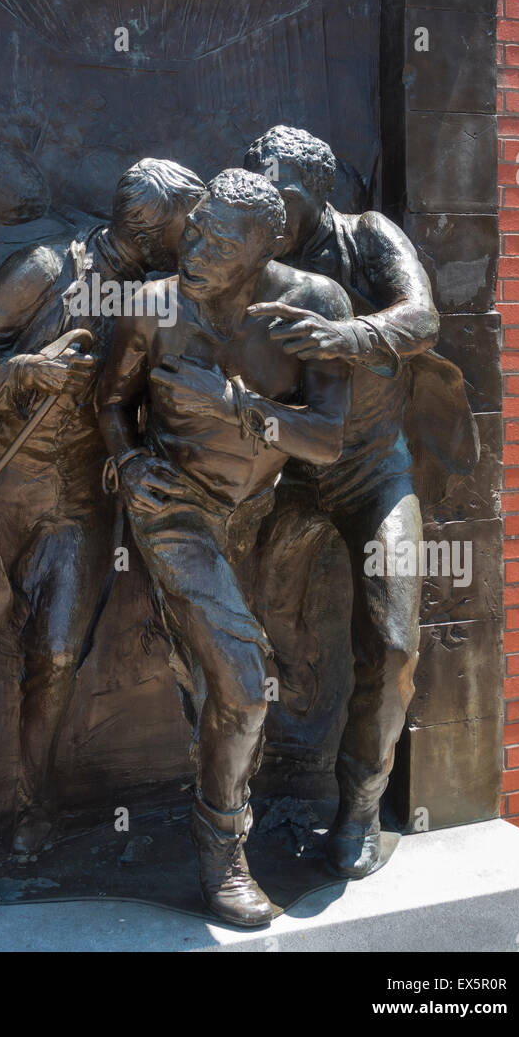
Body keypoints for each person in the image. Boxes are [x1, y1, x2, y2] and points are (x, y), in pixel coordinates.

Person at [96, 169, 352, 926]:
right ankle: (223, 861)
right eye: (194, 228)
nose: (195, 247)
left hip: (259, 511)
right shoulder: (150, 307)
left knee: (218, 682)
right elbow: (111, 400)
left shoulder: (314, 306)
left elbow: (326, 441)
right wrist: (131, 459)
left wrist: (233, 404)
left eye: (218, 239)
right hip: (175, 506)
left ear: (266, 245)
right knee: (243, 682)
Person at [0, 158, 205, 854]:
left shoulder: (166, 294)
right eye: (188, 224)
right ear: (147, 227)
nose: (199, 236)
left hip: (84, 497)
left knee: (60, 651)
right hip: (9, 488)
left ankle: (34, 804)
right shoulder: (44, 268)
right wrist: (29, 371)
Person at [243, 124, 450, 879]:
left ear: (316, 192)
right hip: (282, 471)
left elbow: (422, 319)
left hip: (372, 471)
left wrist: (345, 334)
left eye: (284, 198)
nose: (272, 213)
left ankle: (360, 806)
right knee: (242, 633)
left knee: (393, 644)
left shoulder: (366, 236)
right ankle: (241, 797)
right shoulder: (248, 251)